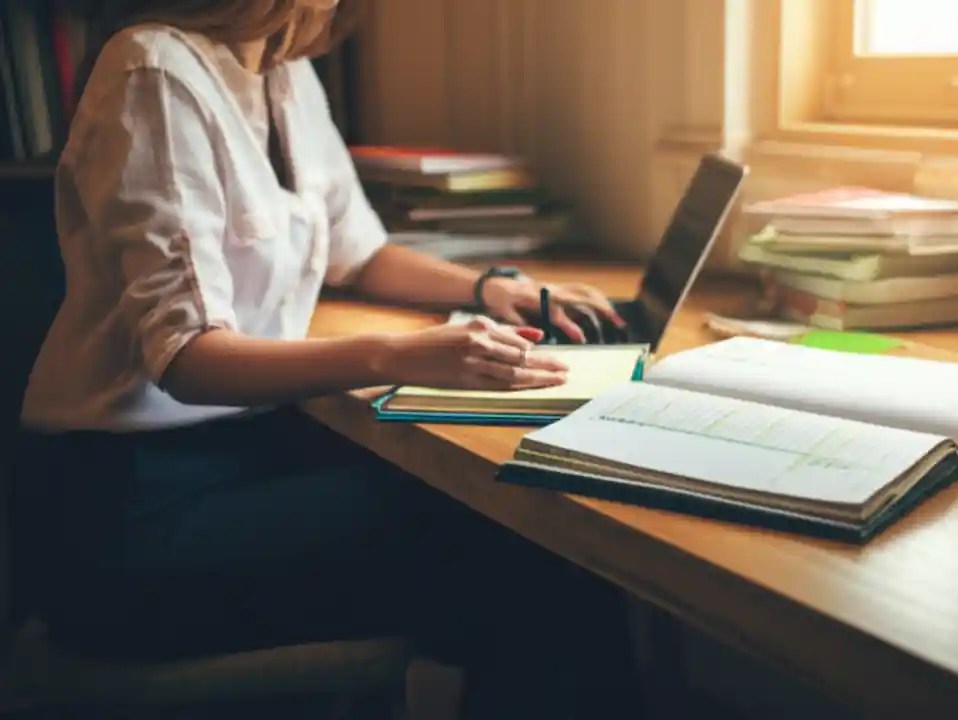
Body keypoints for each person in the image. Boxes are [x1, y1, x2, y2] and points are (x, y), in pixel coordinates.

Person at [15, 0, 640, 717]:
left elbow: (358, 252)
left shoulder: (286, 73)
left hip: (243, 453)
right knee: (526, 553)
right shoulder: (152, 68)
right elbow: (184, 357)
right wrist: (396, 353)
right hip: (127, 511)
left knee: (524, 533)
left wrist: (494, 287)